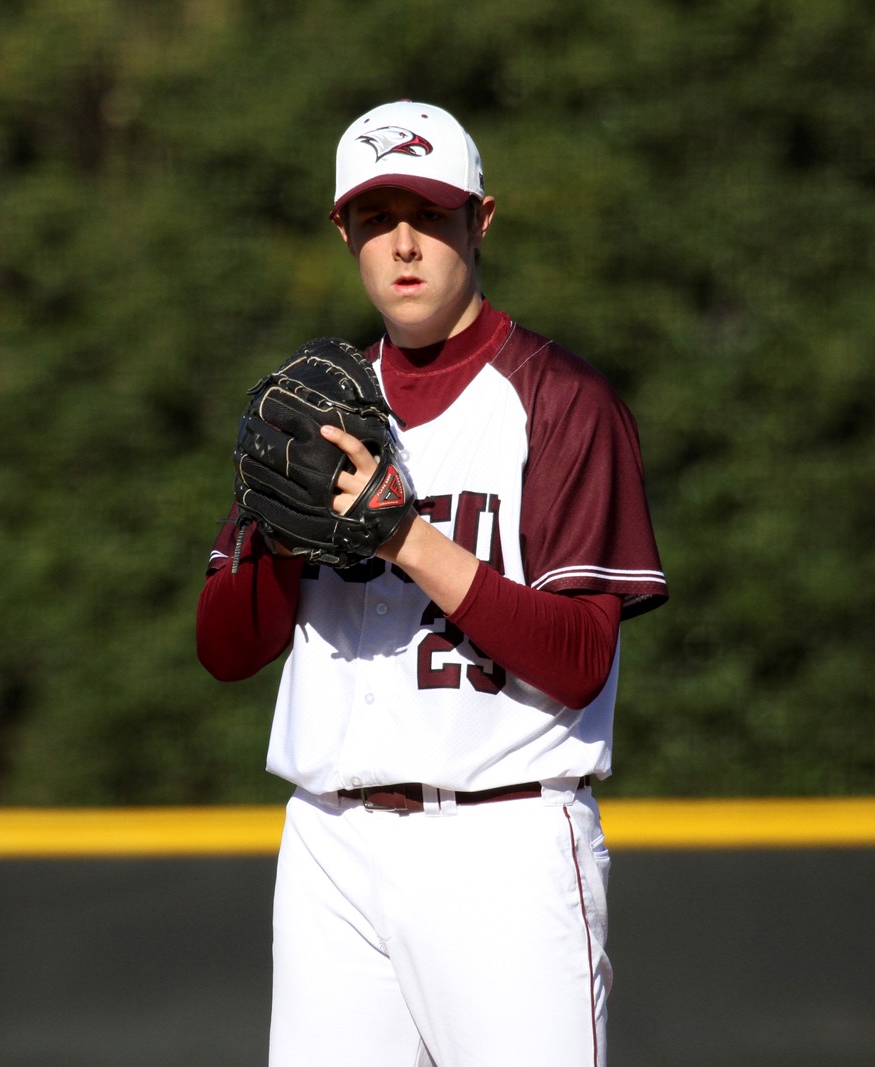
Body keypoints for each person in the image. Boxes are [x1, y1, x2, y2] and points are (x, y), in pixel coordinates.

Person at [196, 99, 667, 1067]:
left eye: (430, 214)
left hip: (504, 841)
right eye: (376, 219)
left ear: (480, 221)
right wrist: (286, 541)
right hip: (332, 844)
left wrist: (405, 535)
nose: (403, 244)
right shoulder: (313, 407)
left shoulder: (559, 400)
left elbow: (581, 657)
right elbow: (224, 648)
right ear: (344, 232)